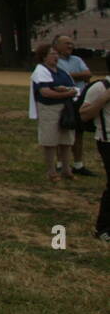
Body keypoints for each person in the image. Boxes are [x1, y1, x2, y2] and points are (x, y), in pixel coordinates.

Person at [30, 43, 77, 183]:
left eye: (56, 54)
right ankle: (51, 171)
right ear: (44, 56)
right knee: (50, 140)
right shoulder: (41, 71)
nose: (55, 57)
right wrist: (65, 93)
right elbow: (45, 92)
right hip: (49, 108)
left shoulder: (61, 72)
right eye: (52, 54)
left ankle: (66, 169)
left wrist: (67, 91)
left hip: (65, 108)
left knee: (66, 139)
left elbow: (72, 87)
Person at [55, 34, 95, 177]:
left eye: (71, 43)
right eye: (66, 43)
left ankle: (78, 164)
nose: (70, 46)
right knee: (62, 132)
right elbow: (59, 78)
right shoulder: (55, 61)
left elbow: (88, 74)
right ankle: (60, 164)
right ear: (57, 46)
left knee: (78, 133)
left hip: (79, 100)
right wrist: (78, 75)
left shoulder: (77, 59)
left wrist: (71, 76)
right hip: (64, 100)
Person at [77, 71, 110, 242]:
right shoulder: (100, 87)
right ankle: (103, 228)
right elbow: (84, 115)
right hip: (107, 141)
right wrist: (104, 98)